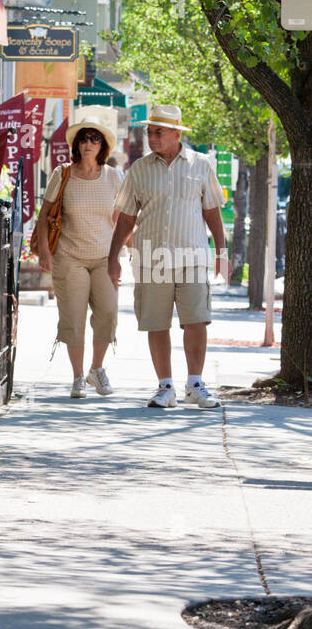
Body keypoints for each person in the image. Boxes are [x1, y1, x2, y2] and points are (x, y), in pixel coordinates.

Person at [107, 104, 228, 410]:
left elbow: (212, 211)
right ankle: (166, 387)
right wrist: (112, 258)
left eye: (158, 131)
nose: (152, 137)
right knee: (156, 323)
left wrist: (222, 253)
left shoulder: (201, 165)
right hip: (151, 258)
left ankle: (195, 384)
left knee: (196, 320)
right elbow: (125, 218)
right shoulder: (139, 170)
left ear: (177, 133)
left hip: (193, 256)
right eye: (149, 132)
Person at [35, 109, 124, 399]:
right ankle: (76, 377)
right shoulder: (63, 174)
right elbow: (45, 213)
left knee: (108, 313)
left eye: (95, 139)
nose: (89, 143)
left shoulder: (113, 176)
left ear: (103, 146)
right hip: (68, 257)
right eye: (84, 138)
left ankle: (96, 370)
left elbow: (122, 217)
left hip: (104, 258)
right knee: (73, 317)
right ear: (77, 144)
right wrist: (45, 252)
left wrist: (126, 251)